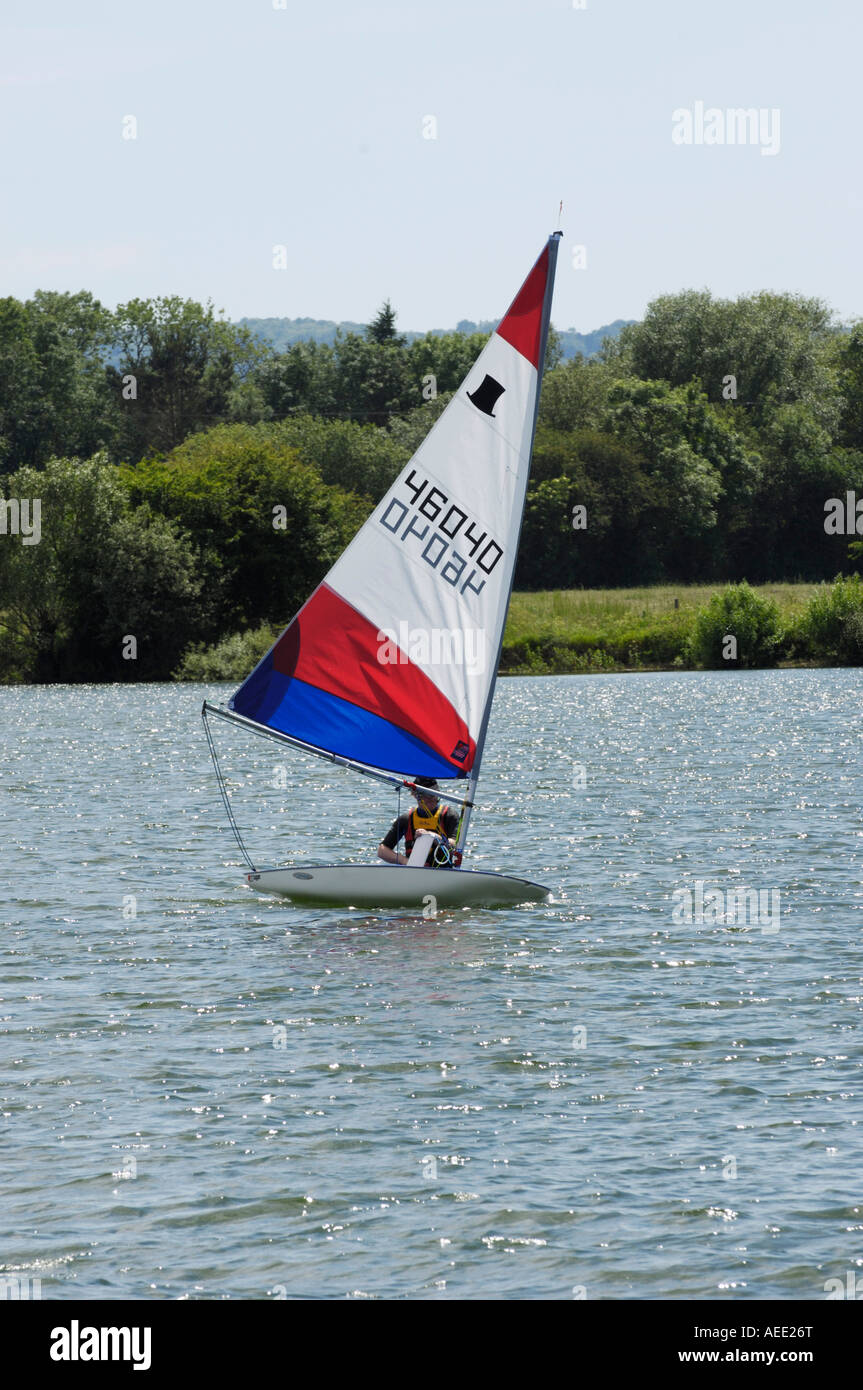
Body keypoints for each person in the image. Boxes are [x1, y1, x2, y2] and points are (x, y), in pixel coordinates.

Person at [378, 777, 462, 867]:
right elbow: (382, 851)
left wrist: (432, 836)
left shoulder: (449, 815)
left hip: (442, 871)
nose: (433, 799)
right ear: (415, 795)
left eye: (435, 794)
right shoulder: (406, 819)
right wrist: (405, 861)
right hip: (415, 871)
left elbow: (454, 845)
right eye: (428, 795)